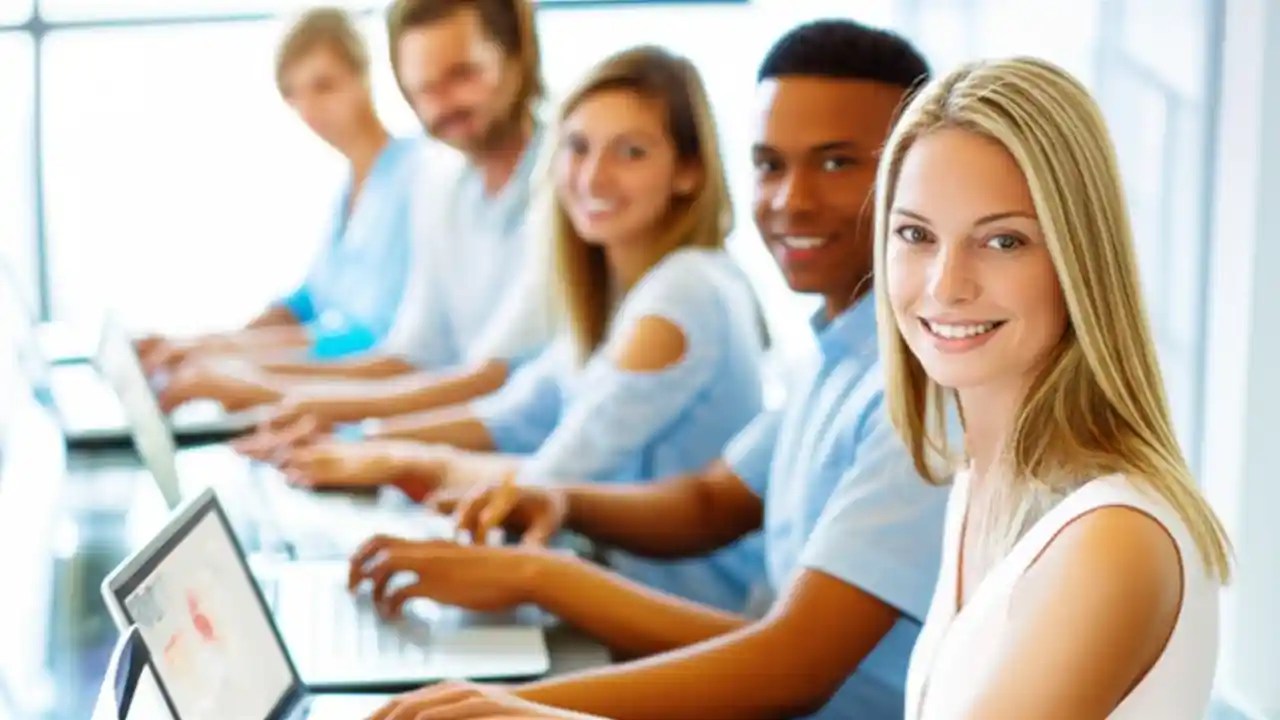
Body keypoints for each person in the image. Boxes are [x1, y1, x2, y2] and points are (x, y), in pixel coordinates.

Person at [358, 21, 948, 720]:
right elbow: (712, 501)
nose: (791, 200)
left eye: (836, 163)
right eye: (769, 165)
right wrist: (564, 504)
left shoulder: (922, 390)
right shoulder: (842, 350)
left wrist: (514, 686)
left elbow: (794, 668)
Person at [284, 45, 769, 614]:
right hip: (616, 593)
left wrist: (396, 460)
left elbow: (554, 474)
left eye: (630, 152)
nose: (593, 176)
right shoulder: (623, 288)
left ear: (689, 171)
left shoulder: (684, 293)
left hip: (681, 615)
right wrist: (363, 442)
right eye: (578, 148)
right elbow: (515, 414)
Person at [867, 57, 1230, 718]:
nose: (946, 285)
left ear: (1078, 259)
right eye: (916, 235)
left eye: (1003, 241)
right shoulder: (981, 481)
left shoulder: (1110, 540)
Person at [153, 0, 560, 413]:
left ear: (517, 55)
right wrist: (214, 351)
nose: (442, 104)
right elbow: (406, 350)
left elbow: (490, 378)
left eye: (463, 75)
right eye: (423, 88)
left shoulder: (555, 185)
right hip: (421, 424)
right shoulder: (449, 190)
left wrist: (257, 382)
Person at [137, 7, 421, 393]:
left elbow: (375, 336)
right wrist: (198, 346)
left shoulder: (415, 176)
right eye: (293, 94)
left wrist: (239, 364)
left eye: (324, 86)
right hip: (321, 390)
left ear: (363, 76)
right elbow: (304, 305)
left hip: (367, 395)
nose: (309, 109)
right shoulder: (347, 190)